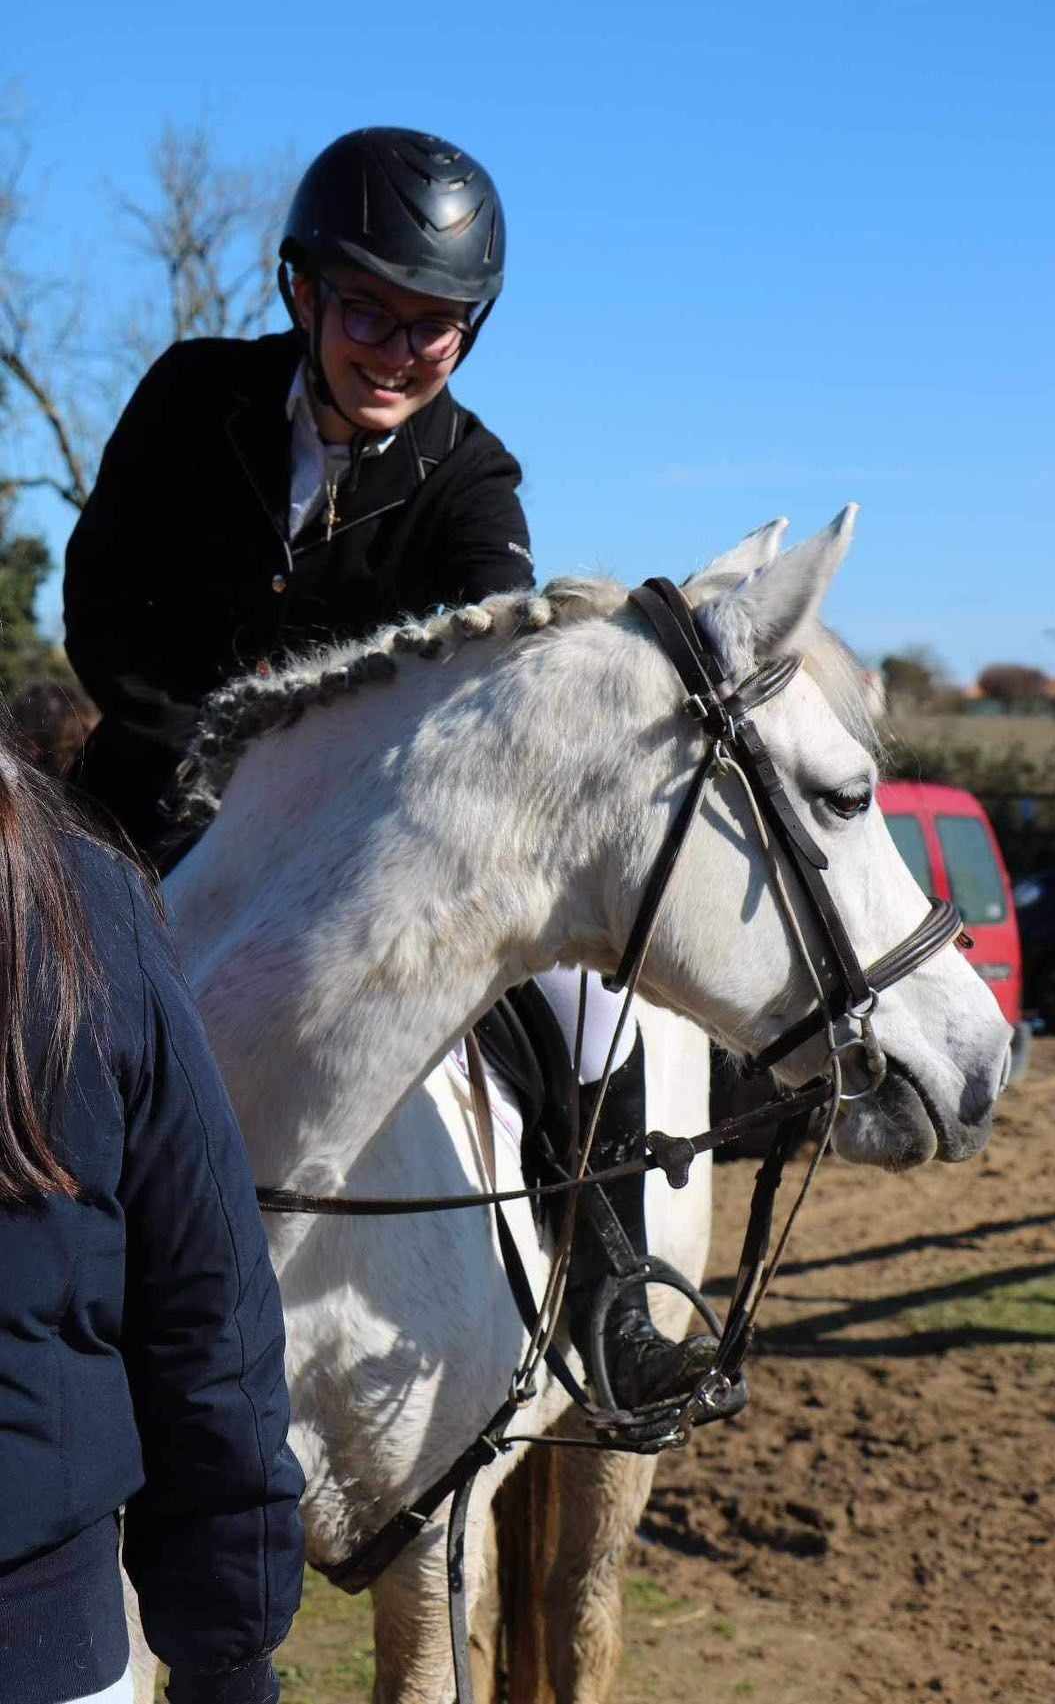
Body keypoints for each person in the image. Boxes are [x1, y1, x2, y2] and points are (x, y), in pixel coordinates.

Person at [63, 126, 730, 1417]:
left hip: (361, 851)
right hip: (142, 797)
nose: (398, 348)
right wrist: (198, 764)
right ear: (301, 290)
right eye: (369, 308)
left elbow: (485, 681)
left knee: (586, 1008)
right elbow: (102, 604)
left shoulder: (474, 481)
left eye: (437, 323)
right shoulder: (192, 393)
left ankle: (607, 1291)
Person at [0, 732, 304, 1704]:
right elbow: (207, 1299)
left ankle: (596, 1243)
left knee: (574, 1006)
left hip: (298, 754)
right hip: (161, 767)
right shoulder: (87, 893)